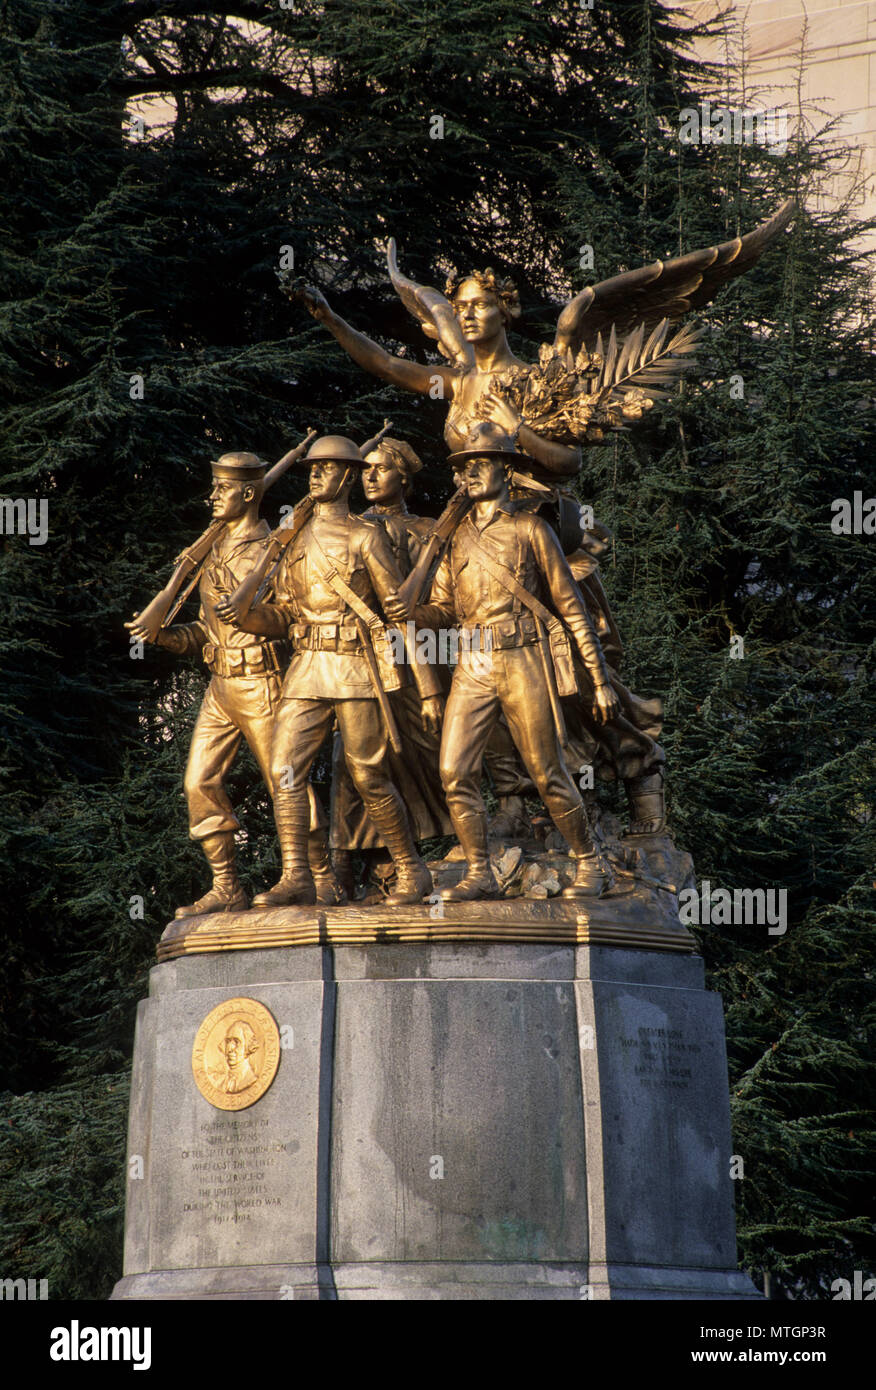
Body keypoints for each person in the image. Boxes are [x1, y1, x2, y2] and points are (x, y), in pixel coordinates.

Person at [216, 435, 441, 907]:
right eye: (312, 468)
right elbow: (282, 615)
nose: (315, 474)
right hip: (307, 667)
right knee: (284, 770)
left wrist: (426, 688)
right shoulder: (290, 538)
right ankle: (297, 874)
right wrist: (249, 619)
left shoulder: (366, 536)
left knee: (367, 776)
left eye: (326, 467)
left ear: (345, 476)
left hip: (357, 668)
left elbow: (398, 612)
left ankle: (410, 869)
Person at [125, 451, 341, 917]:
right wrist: (165, 636)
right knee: (198, 782)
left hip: (263, 679)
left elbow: (291, 618)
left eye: (221, 489)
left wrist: (249, 614)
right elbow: (205, 630)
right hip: (220, 685)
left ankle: (319, 879)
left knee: (286, 782)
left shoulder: (277, 548)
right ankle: (227, 887)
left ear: (247, 493)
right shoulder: (213, 549)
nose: (212, 497)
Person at [412, 423, 620, 901]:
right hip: (472, 664)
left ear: (506, 470)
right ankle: (480, 871)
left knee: (547, 770)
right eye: (464, 466)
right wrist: (408, 614)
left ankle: (591, 863)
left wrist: (599, 677)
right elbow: (444, 607)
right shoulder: (456, 538)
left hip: (524, 656)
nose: (470, 473)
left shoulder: (531, 528)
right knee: (454, 771)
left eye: (480, 463)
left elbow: (571, 605)